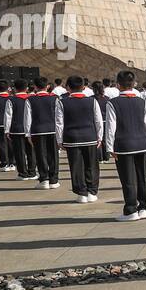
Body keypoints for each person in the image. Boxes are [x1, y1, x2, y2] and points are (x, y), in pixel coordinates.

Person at [104, 70, 146, 221]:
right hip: (142, 143)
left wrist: (109, 147)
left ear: (118, 85)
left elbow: (111, 126)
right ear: (134, 84)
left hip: (123, 145)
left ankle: (131, 209)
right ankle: (143, 207)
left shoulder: (113, 103)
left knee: (128, 178)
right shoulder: (142, 102)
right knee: (143, 177)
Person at [55, 75, 103, 203]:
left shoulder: (62, 102)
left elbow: (59, 123)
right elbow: (98, 121)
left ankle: (81, 193)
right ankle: (92, 191)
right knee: (92, 165)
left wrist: (59, 140)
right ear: (83, 87)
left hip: (72, 138)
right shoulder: (92, 101)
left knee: (76, 166)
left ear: (68, 88)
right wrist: (100, 137)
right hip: (90, 137)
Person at [26, 77, 60, 188]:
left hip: (37, 131)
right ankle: (54, 180)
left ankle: (44, 179)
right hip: (52, 130)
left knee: (40, 155)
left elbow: (27, 118)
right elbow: (59, 117)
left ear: (35, 86)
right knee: (53, 155)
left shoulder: (30, 99)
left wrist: (28, 134)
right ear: (47, 86)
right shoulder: (55, 99)